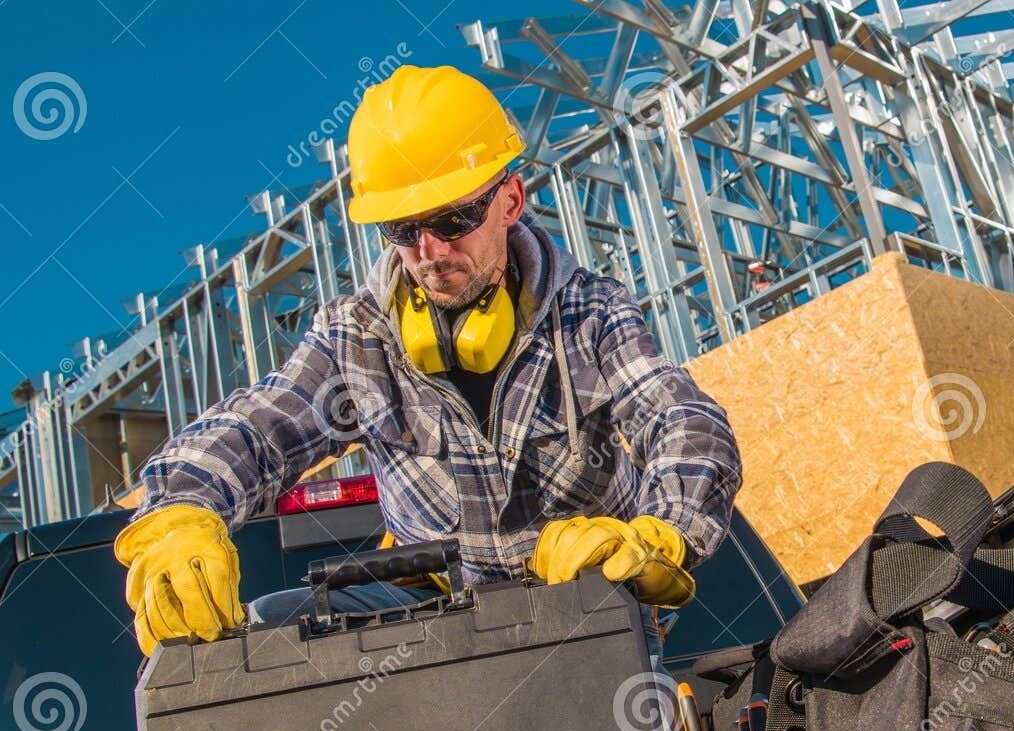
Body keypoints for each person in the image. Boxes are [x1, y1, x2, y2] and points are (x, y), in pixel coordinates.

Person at [113, 64, 742, 663]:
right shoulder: (356, 340)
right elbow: (256, 431)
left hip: (592, 608)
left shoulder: (590, 314)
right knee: (271, 628)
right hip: (440, 627)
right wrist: (179, 514)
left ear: (510, 200)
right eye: (404, 229)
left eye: (453, 218)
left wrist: (662, 532)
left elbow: (681, 417)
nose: (430, 251)